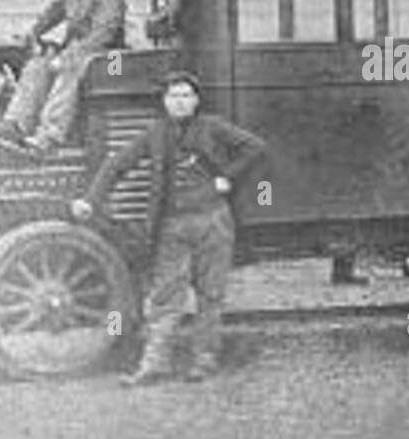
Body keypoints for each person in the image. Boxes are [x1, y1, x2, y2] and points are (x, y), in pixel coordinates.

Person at [70, 71, 267, 385]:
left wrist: (227, 177)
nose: (180, 102)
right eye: (174, 96)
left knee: (210, 295)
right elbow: (117, 164)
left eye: (187, 95)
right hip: (172, 227)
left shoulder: (213, 127)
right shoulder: (155, 133)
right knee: (165, 297)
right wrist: (91, 201)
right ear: (164, 102)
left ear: (197, 100)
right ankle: (153, 366)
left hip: (213, 221)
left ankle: (203, 361)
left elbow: (255, 147)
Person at [0, 0, 126, 152]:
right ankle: (16, 123)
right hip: (79, 52)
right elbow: (52, 14)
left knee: (69, 67)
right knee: (38, 65)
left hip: (112, 59)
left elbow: (102, 34)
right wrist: (32, 33)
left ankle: (50, 134)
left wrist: (68, 55)